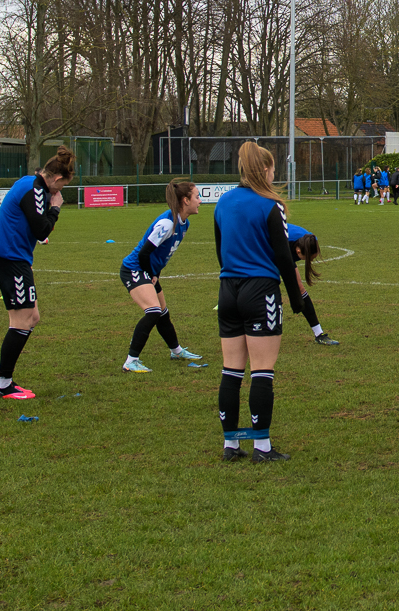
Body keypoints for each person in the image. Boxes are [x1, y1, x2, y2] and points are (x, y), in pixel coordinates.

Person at [213, 141, 319, 462]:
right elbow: (283, 258)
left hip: (227, 290)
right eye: (273, 168)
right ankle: (262, 447)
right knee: (262, 370)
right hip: (260, 291)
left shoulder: (223, 202)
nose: (275, 174)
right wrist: (297, 300)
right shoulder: (271, 205)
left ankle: (231, 444)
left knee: (231, 370)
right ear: (264, 169)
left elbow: (220, 251)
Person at [0, 146, 75, 400]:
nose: (59, 193)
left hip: (14, 260)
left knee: (31, 317)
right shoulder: (35, 189)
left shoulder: (29, 183)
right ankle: (4, 383)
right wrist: (55, 208)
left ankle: (5, 381)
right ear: (56, 179)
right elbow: (42, 231)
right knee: (23, 320)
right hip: (10, 261)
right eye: (61, 187)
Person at [120, 179, 204, 373]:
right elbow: (143, 253)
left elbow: (159, 255)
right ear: (185, 200)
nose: (200, 201)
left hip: (149, 270)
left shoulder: (184, 223)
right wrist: (151, 274)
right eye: (197, 196)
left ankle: (176, 351)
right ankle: (131, 361)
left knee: (163, 313)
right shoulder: (167, 224)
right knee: (153, 311)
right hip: (134, 269)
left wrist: (155, 274)